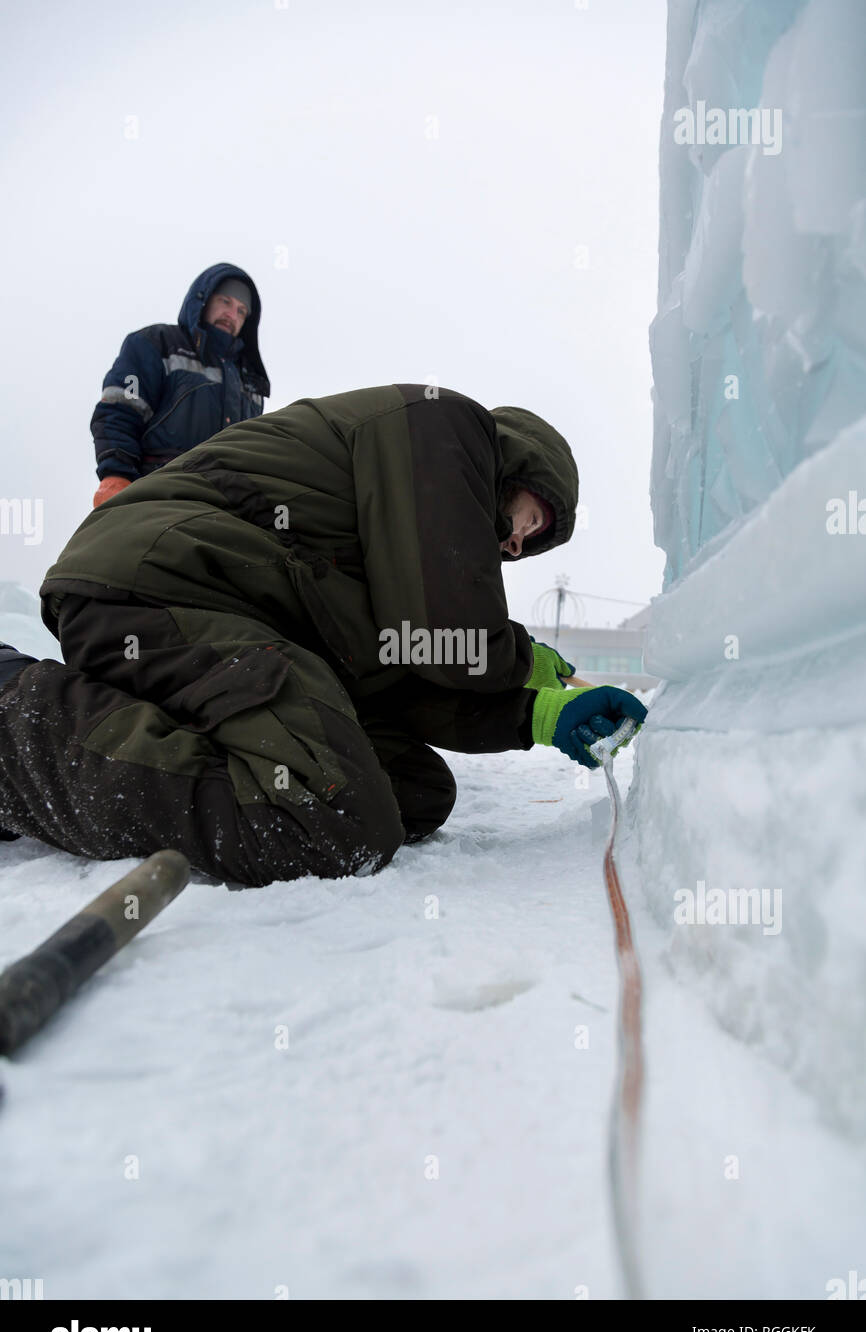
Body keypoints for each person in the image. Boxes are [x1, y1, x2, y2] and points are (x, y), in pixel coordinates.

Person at [0, 384, 646, 884]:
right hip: (168, 581)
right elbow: (447, 632)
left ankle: (111, 733)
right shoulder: (445, 424)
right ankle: (12, 719)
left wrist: (536, 714)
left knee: (409, 792)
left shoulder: (384, 542)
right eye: (525, 520)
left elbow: (395, 674)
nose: (512, 543)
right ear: (512, 467)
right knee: (328, 816)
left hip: (231, 616)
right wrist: (523, 659)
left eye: (525, 545)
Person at [90, 263, 270, 508]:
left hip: (223, 510)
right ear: (203, 300)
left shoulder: (249, 381)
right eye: (225, 302)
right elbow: (120, 411)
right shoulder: (156, 344)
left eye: (241, 311)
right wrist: (116, 476)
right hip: (157, 495)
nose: (232, 315)